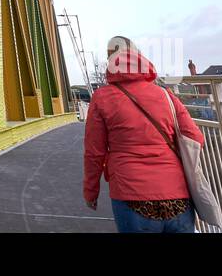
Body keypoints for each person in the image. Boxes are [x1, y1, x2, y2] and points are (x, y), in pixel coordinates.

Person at [83, 36, 204, 233]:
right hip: (177, 196)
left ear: (111, 62)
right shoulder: (165, 95)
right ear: (141, 59)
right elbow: (196, 138)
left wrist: (91, 191)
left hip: (131, 196)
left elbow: (94, 152)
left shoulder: (102, 98)